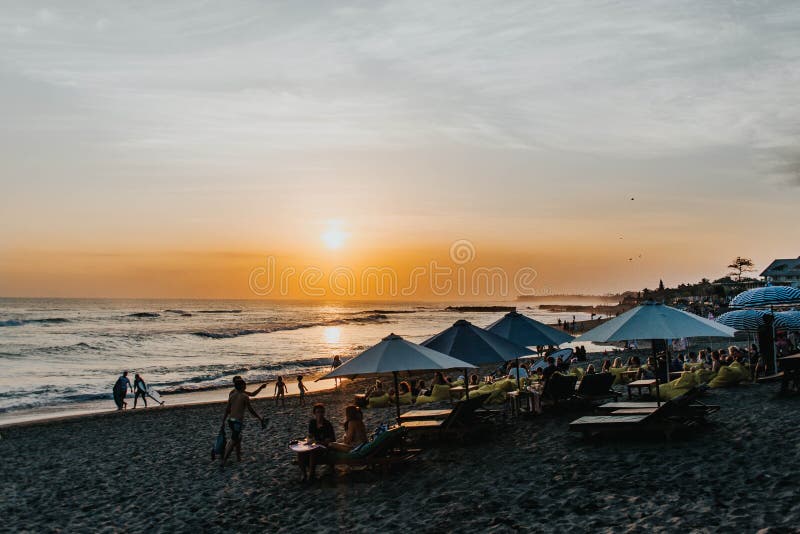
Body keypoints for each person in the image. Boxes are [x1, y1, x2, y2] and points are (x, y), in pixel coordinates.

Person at [220, 377, 266, 468]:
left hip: (231, 421)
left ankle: (238, 457)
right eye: (244, 384)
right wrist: (259, 417)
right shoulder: (244, 396)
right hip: (237, 422)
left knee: (238, 438)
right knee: (233, 440)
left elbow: (227, 409)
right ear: (240, 386)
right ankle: (223, 461)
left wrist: (223, 421)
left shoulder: (233, 395)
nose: (246, 386)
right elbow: (251, 410)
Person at [298, 403, 336, 481]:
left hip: (326, 446)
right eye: (318, 412)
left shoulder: (327, 424)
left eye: (322, 412)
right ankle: (304, 474)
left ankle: (311, 475)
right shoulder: (312, 423)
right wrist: (310, 440)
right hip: (315, 445)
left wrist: (317, 442)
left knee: (313, 452)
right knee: (300, 452)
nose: (320, 414)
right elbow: (310, 436)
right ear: (314, 413)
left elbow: (329, 440)